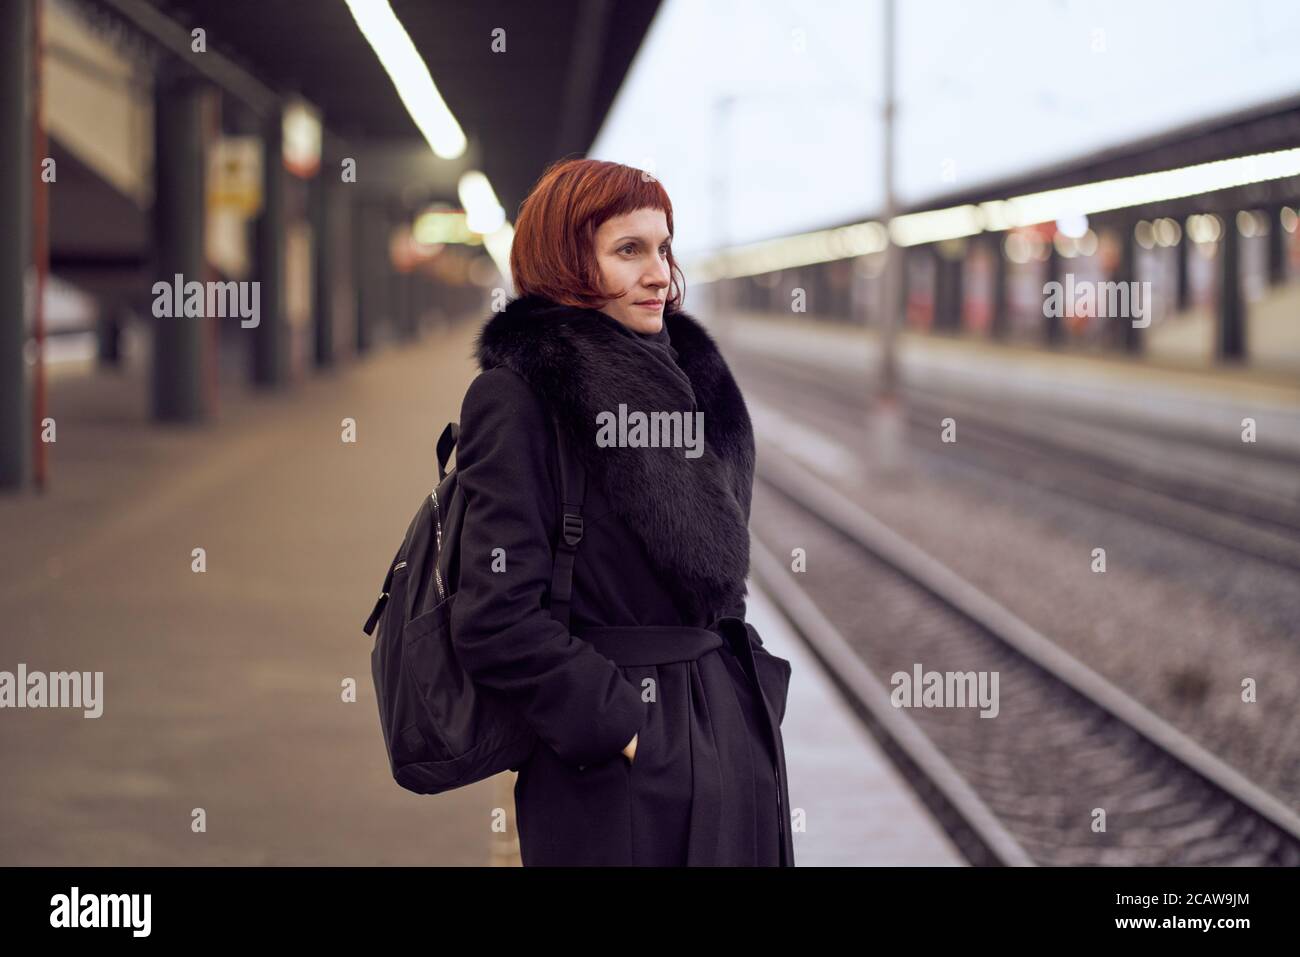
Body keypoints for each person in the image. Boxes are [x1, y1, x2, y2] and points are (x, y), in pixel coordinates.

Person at [449, 157, 794, 866]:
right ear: (566, 259)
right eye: (628, 250)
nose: (659, 273)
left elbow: (718, 575)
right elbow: (494, 613)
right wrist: (623, 729)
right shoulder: (521, 397)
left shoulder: (696, 380)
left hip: (728, 734)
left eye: (663, 247)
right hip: (615, 769)